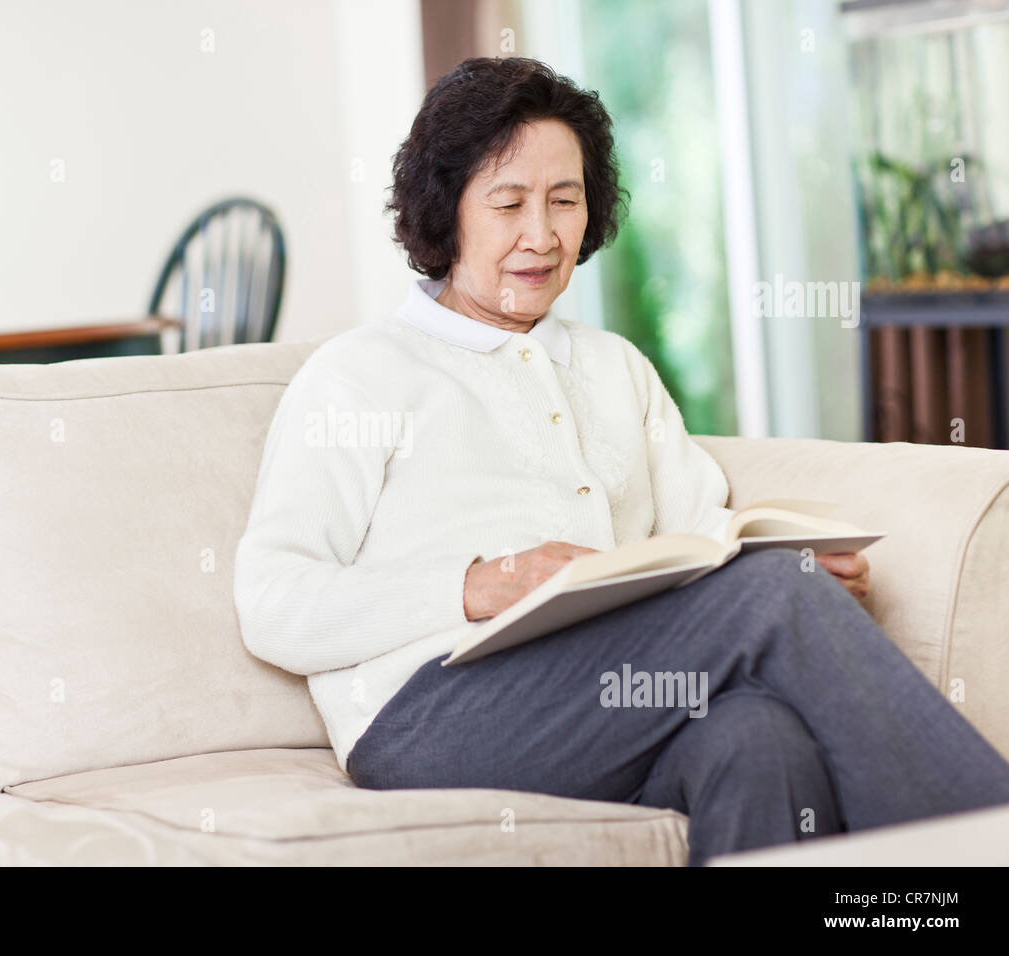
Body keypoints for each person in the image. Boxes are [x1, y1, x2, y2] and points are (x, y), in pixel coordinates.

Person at [232, 56, 1009, 865]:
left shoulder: (614, 367)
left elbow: (695, 530)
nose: (543, 235)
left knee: (758, 738)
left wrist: (788, 558)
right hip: (429, 712)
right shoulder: (360, 374)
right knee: (776, 599)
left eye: (565, 201)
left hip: (612, 694)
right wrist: (476, 585)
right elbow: (272, 599)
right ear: (445, 213)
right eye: (509, 204)